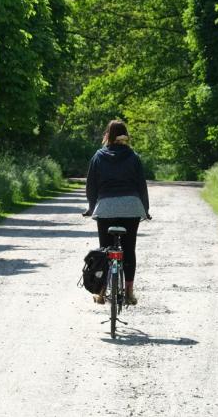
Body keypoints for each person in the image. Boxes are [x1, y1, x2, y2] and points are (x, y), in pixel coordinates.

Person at [83, 119, 150, 305]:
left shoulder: (98, 156)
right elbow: (141, 186)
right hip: (131, 207)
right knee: (129, 250)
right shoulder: (134, 157)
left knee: (104, 251)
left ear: (108, 135)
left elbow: (91, 186)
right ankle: (128, 293)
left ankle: (102, 291)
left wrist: (91, 207)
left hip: (105, 209)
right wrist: (145, 209)